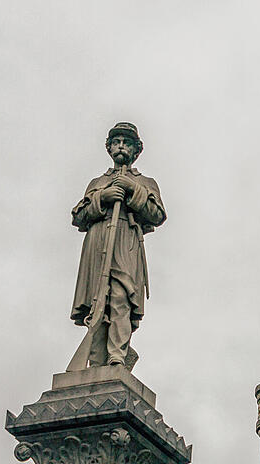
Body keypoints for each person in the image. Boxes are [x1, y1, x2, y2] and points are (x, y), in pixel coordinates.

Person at [69, 122, 166, 368]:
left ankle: (117, 356)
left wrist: (133, 191)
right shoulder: (97, 182)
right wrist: (103, 197)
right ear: (109, 148)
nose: (121, 146)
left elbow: (157, 214)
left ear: (136, 151)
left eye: (127, 143)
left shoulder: (146, 182)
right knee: (97, 300)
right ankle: (97, 359)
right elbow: (78, 216)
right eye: (116, 142)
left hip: (126, 240)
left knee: (121, 296)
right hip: (98, 241)